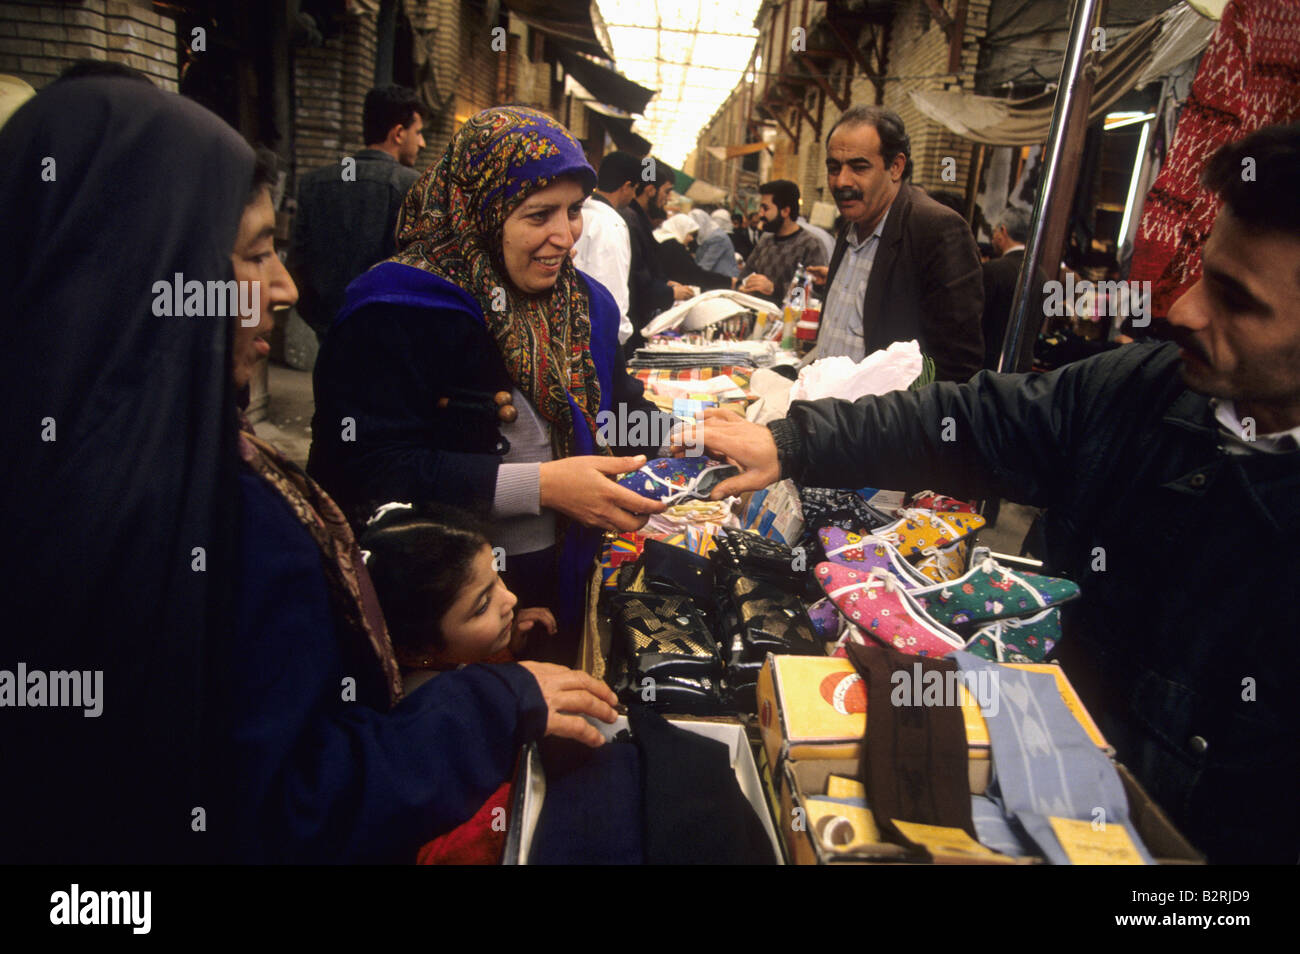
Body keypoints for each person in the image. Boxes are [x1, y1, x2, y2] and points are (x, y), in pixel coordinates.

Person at [0, 76, 618, 864]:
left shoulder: (582, 306)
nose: (288, 288)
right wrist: (482, 702)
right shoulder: (226, 517)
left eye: (574, 213)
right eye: (258, 254)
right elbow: (287, 800)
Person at [678, 124, 1300, 864]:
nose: (1187, 311)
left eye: (1237, 301)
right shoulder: (1143, 389)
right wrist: (792, 441)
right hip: (1028, 786)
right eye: (1202, 275)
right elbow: (967, 417)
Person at [309, 107, 670, 666]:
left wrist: (696, 437)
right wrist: (542, 486)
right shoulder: (398, 309)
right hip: (445, 606)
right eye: (538, 215)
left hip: (557, 574)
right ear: (479, 211)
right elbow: (361, 468)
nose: (564, 237)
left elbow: (615, 407)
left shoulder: (585, 304)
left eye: (574, 211)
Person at [812, 105, 984, 382]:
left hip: (877, 423)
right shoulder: (851, 224)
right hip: (822, 413)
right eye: (834, 168)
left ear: (895, 167)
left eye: (859, 167)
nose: (842, 181)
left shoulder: (937, 231)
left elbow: (956, 370)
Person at [289, 85, 427, 341]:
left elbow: (298, 262)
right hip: (387, 342)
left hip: (328, 335)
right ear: (398, 133)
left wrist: (322, 323)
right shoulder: (414, 186)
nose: (422, 142)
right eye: (418, 133)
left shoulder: (315, 183)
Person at [622, 155, 690, 353]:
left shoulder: (639, 220)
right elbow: (635, 282)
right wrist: (669, 292)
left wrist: (665, 284)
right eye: (666, 191)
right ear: (651, 190)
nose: (667, 199)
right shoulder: (631, 221)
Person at [573, 150, 640, 346]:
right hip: (598, 339)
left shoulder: (581, 212)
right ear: (626, 186)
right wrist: (621, 337)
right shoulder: (611, 224)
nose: (633, 196)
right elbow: (612, 294)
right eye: (635, 189)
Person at [737, 179, 827, 306]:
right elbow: (745, 275)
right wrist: (743, 287)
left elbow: (814, 295)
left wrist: (774, 289)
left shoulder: (811, 244)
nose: (760, 214)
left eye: (765, 208)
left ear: (785, 211)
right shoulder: (765, 240)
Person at [981, 205, 1049, 371]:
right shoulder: (1041, 276)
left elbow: (978, 320)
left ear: (1002, 231)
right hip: (1023, 368)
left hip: (989, 365)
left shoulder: (993, 270)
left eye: (995, 230)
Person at [654, 213, 735, 291]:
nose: (691, 239)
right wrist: (729, 282)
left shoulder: (660, 239)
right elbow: (695, 275)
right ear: (681, 229)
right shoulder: (672, 245)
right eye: (690, 234)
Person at [691, 208, 740, 278]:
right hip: (715, 278)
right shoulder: (708, 235)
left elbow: (706, 265)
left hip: (725, 280)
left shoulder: (718, 237)